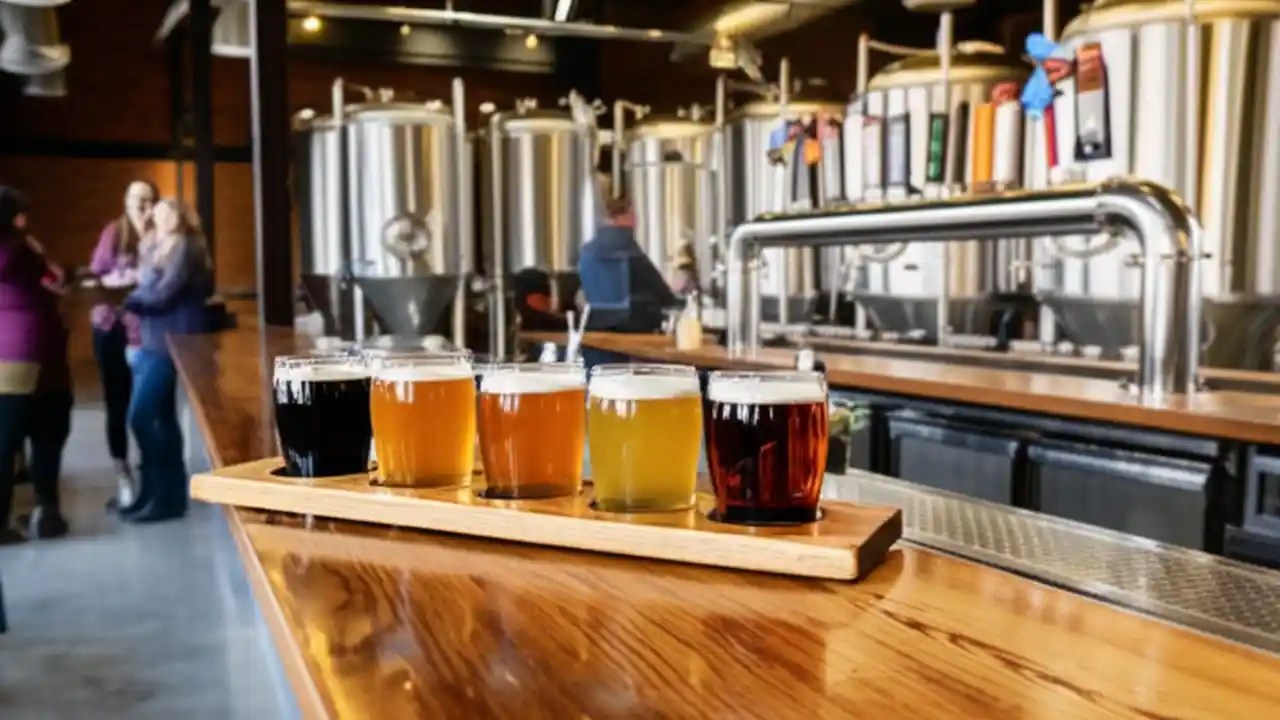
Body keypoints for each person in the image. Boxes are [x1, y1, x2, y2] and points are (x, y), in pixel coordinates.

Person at [119, 199, 213, 523]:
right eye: (160, 210)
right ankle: (154, 494)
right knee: (162, 417)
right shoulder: (151, 244)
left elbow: (164, 293)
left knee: (141, 417)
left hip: (175, 339)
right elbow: (149, 287)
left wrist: (128, 300)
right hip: (150, 338)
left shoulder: (187, 247)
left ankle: (166, 493)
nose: (164, 215)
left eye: (171, 210)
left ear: (182, 216)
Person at [0, 186, 72, 543]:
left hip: (10, 354)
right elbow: (54, 281)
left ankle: (4, 523)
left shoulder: (13, 250)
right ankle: (48, 512)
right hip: (42, 348)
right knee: (47, 435)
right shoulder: (22, 248)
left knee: (6, 441)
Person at [89, 180, 157, 510]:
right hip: (112, 327)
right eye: (137, 201)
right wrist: (123, 280)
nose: (143, 207)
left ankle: (151, 477)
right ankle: (123, 474)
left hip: (146, 334)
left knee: (145, 408)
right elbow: (96, 273)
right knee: (117, 404)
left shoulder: (161, 236)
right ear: (126, 202)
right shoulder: (115, 231)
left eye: (149, 201)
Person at [577, 196, 680, 334]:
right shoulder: (628, 250)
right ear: (624, 217)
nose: (636, 222)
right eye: (633, 216)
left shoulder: (586, 252)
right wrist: (677, 303)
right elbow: (658, 288)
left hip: (594, 325)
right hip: (631, 326)